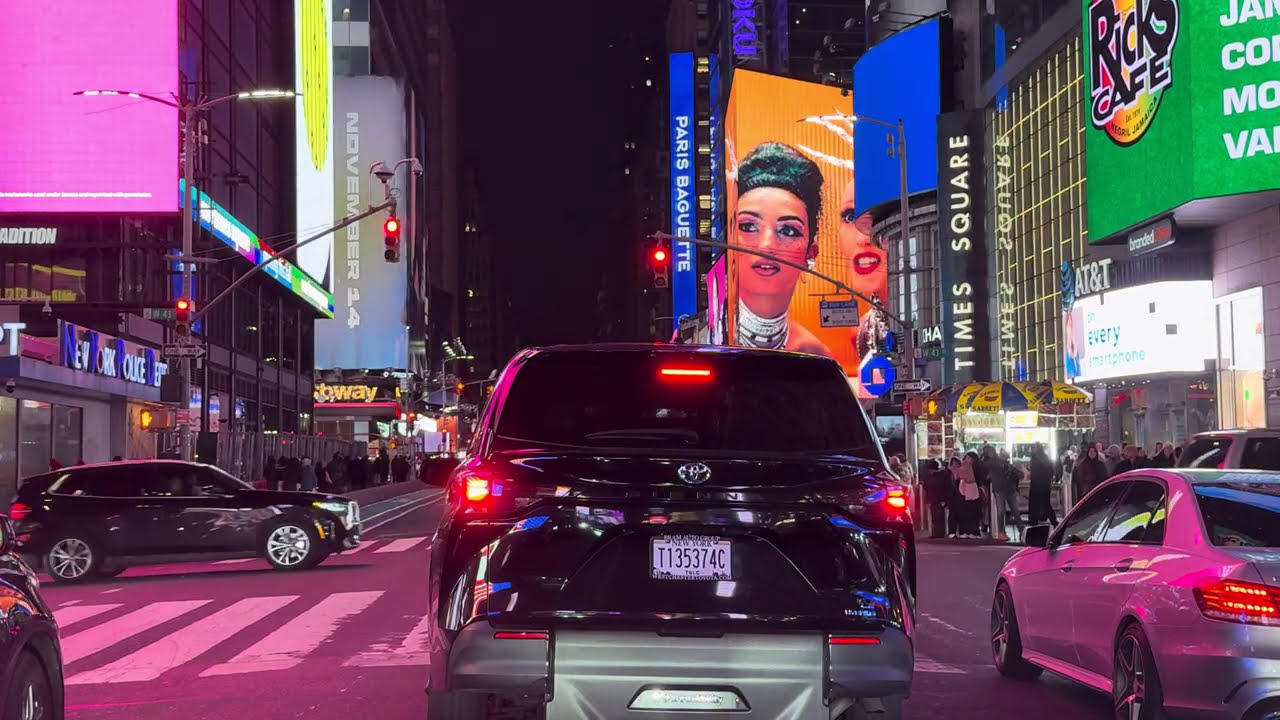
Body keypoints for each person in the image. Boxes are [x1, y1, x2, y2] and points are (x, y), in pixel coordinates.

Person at [732, 142, 832, 357]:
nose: (767, 245)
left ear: (810, 254)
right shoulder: (695, 340)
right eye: (748, 227)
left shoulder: (815, 358)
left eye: (788, 230)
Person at [1027, 443, 1059, 526]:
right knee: (1046, 504)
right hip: (1045, 486)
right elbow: (1051, 472)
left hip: (1036, 485)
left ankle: (1033, 521)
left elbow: (1035, 473)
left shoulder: (1035, 459)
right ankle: (1053, 521)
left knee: (1035, 505)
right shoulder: (1045, 458)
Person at [955, 453, 983, 538]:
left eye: (970, 458)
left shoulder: (977, 468)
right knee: (965, 513)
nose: (968, 460)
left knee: (974, 513)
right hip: (964, 492)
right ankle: (965, 531)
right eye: (966, 458)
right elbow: (960, 478)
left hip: (974, 492)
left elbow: (975, 479)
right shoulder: (962, 468)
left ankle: (974, 531)